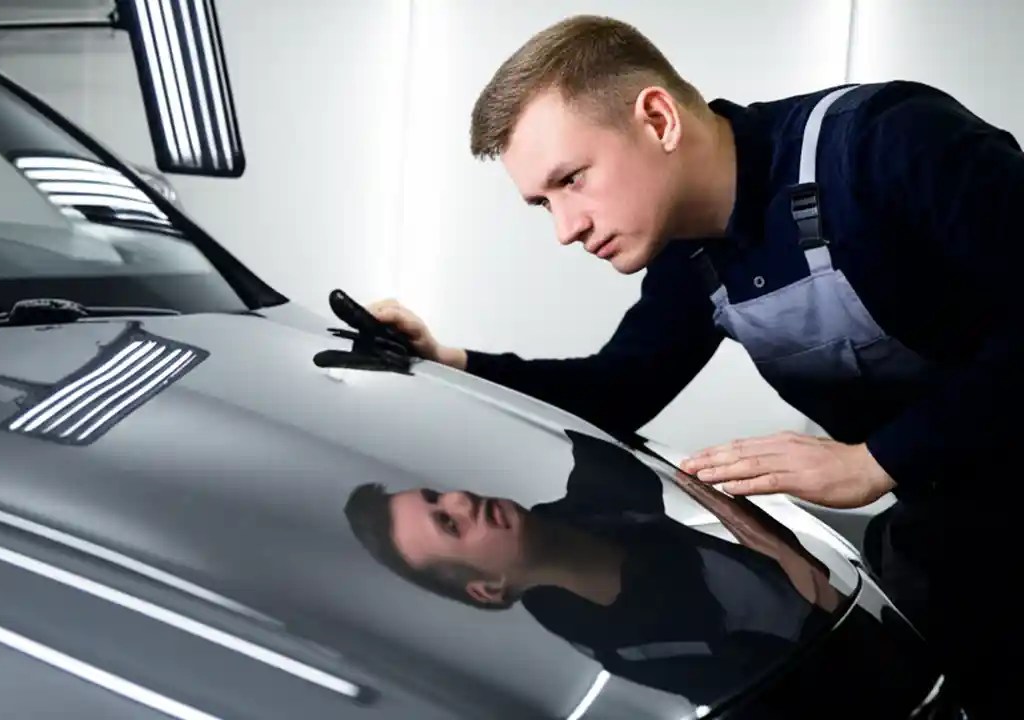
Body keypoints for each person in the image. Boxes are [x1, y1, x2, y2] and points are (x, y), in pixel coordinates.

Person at [365, 14, 1016, 716]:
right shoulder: (690, 258)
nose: (566, 228)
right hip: (964, 526)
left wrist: (874, 461)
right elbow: (617, 391)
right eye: (543, 204)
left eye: (573, 180)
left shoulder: (891, 141)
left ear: (656, 118)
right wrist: (447, 360)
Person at [343, 430, 848, 707]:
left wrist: (451, 359)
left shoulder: (603, 485)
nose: (460, 501)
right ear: (490, 589)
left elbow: (606, 385)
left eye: (436, 496)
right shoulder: (639, 656)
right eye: (449, 526)